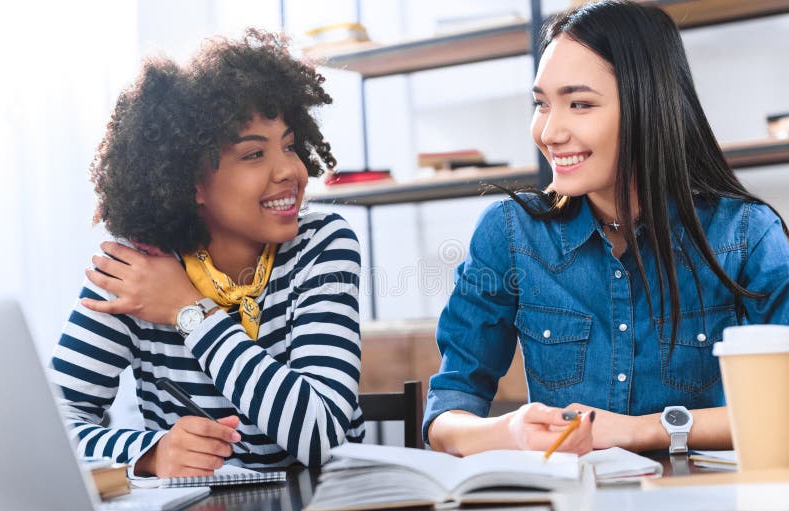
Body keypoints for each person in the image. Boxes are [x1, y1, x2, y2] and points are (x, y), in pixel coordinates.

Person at [424, 0, 789, 457]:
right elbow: (447, 414)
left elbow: (782, 412)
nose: (549, 131)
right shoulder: (510, 234)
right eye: (541, 104)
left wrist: (639, 430)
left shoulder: (747, 236)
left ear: (647, 108)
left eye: (579, 104)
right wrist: (510, 431)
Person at [48, 29, 364, 477]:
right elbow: (51, 430)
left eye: (290, 146)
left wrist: (189, 311)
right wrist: (151, 452)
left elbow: (322, 434)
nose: (290, 170)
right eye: (254, 153)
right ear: (190, 181)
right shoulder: (136, 269)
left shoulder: (321, 242)